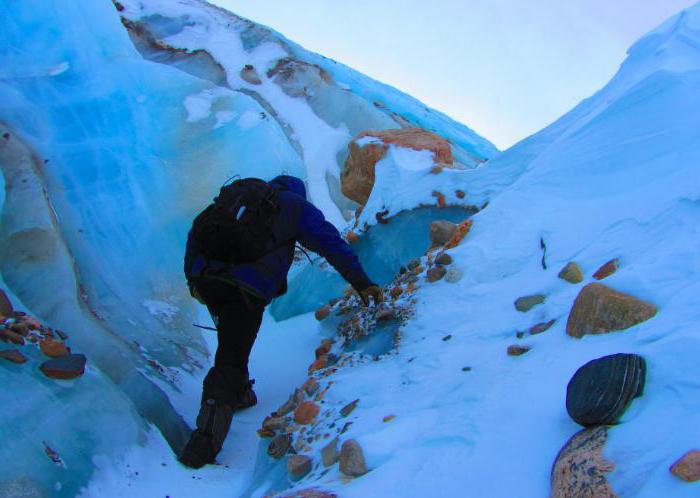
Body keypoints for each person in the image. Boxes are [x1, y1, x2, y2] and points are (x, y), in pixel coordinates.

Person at [179, 174, 382, 468]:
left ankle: (238, 393)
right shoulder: (295, 206)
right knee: (231, 356)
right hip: (244, 289)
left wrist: (193, 280)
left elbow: (196, 231)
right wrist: (362, 283)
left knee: (232, 339)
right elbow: (331, 244)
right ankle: (203, 442)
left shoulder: (237, 202)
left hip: (207, 278)